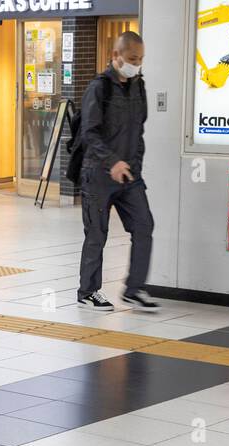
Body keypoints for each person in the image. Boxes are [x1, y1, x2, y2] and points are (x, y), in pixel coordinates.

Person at [77, 31, 159, 314]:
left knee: (144, 225)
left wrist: (132, 165)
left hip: (128, 175)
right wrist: (112, 162)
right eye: (132, 58)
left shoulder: (138, 86)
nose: (137, 64)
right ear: (116, 56)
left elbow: (139, 131)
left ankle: (134, 289)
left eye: (140, 59)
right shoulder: (99, 88)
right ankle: (88, 292)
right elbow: (89, 133)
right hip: (98, 174)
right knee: (97, 234)